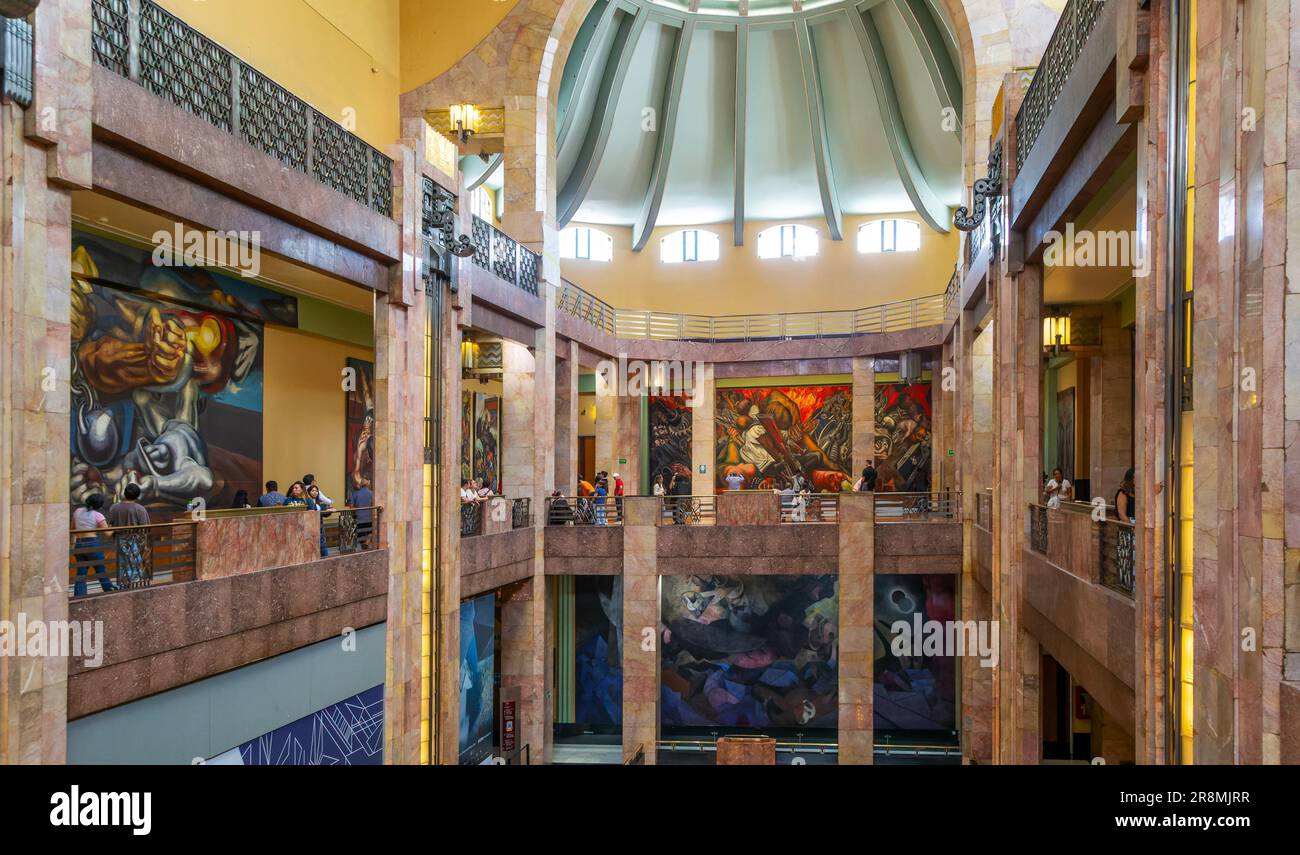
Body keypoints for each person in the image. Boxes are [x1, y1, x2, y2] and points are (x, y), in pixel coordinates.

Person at [72, 494, 116, 597]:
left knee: (81, 573)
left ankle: (79, 597)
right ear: (99, 506)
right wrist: (114, 526)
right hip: (92, 544)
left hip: (79, 544)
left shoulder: (77, 512)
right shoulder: (98, 515)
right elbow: (108, 533)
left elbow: (73, 528)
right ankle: (109, 593)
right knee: (101, 571)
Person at [349, 482, 375, 548]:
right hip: (369, 517)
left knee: (360, 533)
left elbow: (351, 507)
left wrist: (357, 510)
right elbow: (373, 505)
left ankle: (364, 545)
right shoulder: (371, 493)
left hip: (359, 517)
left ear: (361, 485)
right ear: (367, 485)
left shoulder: (355, 493)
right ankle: (367, 543)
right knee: (370, 531)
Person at [306, 484, 330, 555]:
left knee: (322, 545)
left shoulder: (318, 501)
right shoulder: (308, 501)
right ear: (309, 492)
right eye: (312, 491)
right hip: (311, 526)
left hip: (319, 525)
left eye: (316, 491)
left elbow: (323, 514)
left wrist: (329, 511)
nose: (315, 492)